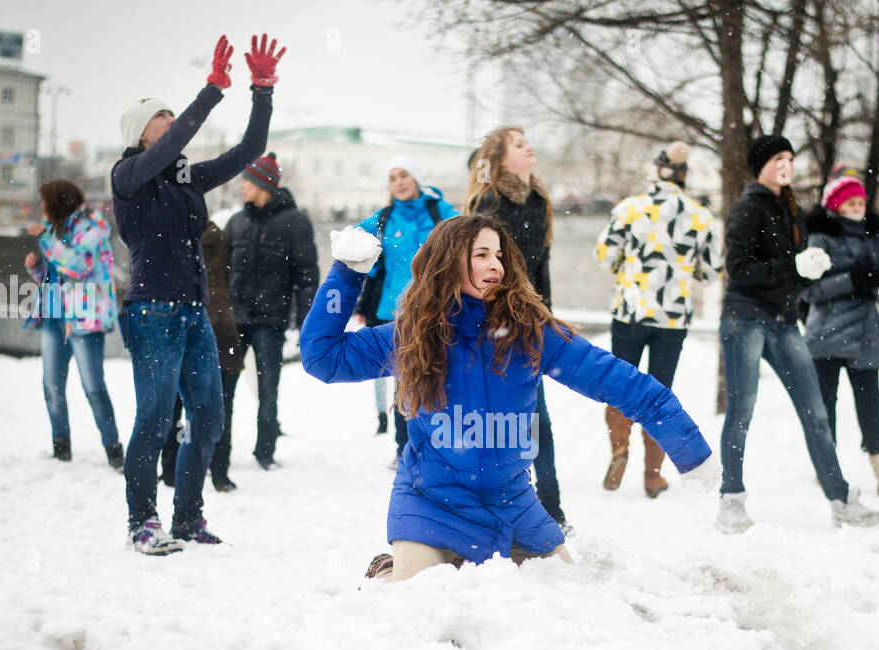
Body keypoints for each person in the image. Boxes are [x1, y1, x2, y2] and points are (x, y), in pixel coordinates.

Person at [300, 215, 716, 583]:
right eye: (480, 254)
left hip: (514, 510)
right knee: (417, 606)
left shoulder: (531, 332)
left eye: (498, 255)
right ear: (448, 263)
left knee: (572, 599)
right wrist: (349, 272)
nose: (495, 265)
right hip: (431, 508)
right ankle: (388, 569)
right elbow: (323, 357)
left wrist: (691, 451)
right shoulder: (412, 335)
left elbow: (624, 384)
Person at [112, 33, 285, 555]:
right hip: (151, 312)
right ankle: (143, 522)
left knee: (208, 417)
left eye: (173, 114)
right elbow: (171, 143)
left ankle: (187, 517)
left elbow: (249, 152)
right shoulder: (129, 176)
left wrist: (261, 91)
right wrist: (210, 90)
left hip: (191, 314)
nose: (173, 123)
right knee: (156, 418)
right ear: (141, 134)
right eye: (161, 118)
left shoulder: (185, 178)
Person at [716, 134, 879, 532]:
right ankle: (731, 500)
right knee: (741, 411)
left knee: (816, 412)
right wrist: (794, 267)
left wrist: (810, 271)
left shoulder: (790, 208)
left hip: (783, 321)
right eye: (778, 158)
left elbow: (795, 267)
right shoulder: (747, 208)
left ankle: (840, 499)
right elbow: (739, 270)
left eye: (790, 158)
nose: (786, 164)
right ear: (762, 164)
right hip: (745, 319)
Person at [594, 141, 718, 498]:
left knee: (620, 386)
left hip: (630, 310)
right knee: (660, 393)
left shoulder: (629, 208)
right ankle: (652, 474)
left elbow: (604, 255)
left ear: (656, 171)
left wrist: (626, 265)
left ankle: (619, 449)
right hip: (672, 317)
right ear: (683, 176)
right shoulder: (699, 215)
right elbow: (710, 273)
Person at [465, 127, 568, 531]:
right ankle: (490, 505)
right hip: (491, 325)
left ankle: (552, 506)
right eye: (519, 143)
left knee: (535, 418)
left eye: (529, 139)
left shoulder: (540, 201)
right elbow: (476, 269)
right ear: (502, 158)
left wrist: (546, 317)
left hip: (529, 322)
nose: (529, 145)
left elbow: (541, 266)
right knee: (491, 418)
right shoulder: (487, 203)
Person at [804, 168, 879, 499]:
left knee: (871, 407)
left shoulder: (875, 232)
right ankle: (825, 472)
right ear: (837, 204)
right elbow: (810, 291)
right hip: (826, 335)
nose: (857, 207)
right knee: (825, 408)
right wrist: (851, 281)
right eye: (850, 202)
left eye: (861, 202)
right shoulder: (820, 236)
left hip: (867, 335)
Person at [354, 157, 459, 462]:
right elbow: (356, 246)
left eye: (404, 175)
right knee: (405, 385)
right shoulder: (384, 218)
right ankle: (405, 450)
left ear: (416, 178)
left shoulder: (438, 211)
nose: (399, 182)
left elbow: (470, 231)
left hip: (438, 309)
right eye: (392, 178)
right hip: (395, 313)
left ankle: (442, 447)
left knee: (442, 379)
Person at [224, 153, 319, 469]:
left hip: (271, 319)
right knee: (224, 389)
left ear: (262, 184)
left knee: (268, 389)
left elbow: (307, 276)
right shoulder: (236, 222)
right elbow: (220, 273)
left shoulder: (295, 221)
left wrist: (306, 322)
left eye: (246, 180)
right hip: (233, 318)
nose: (241, 186)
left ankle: (265, 451)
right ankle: (218, 452)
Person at [23, 179, 123, 470]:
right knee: (52, 386)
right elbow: (56, 275)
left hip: (83, 320)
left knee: (93, 387)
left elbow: (78, 268)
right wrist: (36, 268)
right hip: (54, 317)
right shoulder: (55, 232)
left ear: (57, 203)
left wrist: (45, 240)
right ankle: (61, 448)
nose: (41, 208)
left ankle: (114, 450)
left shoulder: (91, 230)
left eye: (44, 203)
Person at [159, 219, 244, 492]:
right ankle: (213, 472)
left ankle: (178, 470)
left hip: (199, 329)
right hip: (216, 328)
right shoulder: (216, 237)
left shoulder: (175, 236)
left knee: (185, 408)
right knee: (213, 409)